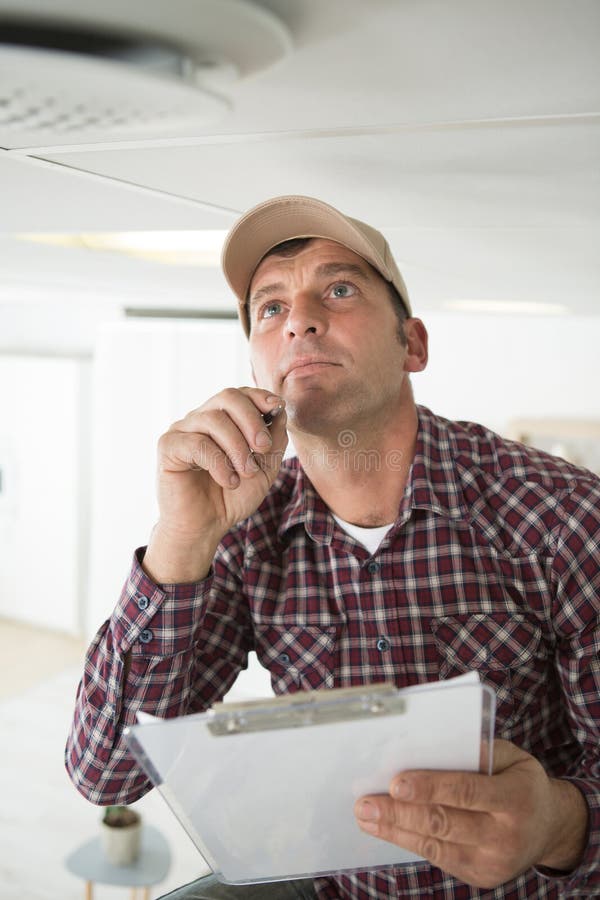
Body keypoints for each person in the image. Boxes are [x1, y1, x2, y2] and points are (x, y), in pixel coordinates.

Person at [66, 195, 600, 899]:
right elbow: (108, 773)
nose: (300, 320)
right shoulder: (243, 530)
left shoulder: (560, 516)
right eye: (269, 307)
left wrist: (560, 825)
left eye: (339, 289)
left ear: (413, 344)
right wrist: (181, 541)